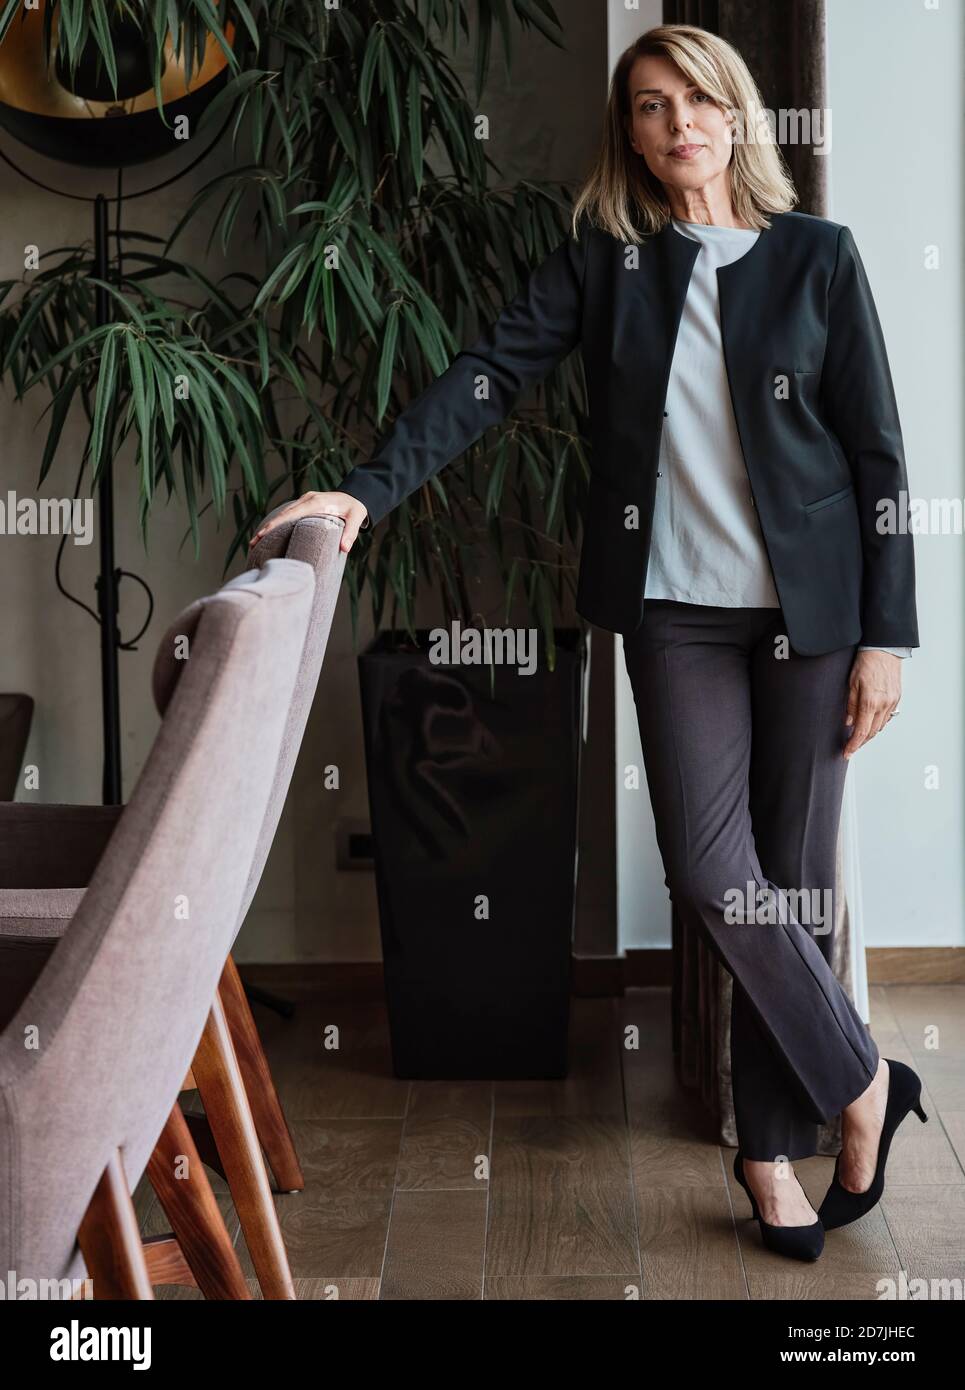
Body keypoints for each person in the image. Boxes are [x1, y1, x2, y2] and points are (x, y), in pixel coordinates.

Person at [251, 24, 923, 1261]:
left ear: (735, 111)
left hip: (809, 621)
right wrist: (363, 491)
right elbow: (485, 376)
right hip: (672, 612)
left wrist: (887, 635)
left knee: (790, 872)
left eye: (695, 101)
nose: (676, 125)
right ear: (630, 133)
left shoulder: (816, 260)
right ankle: (864, 1079)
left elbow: (878, 456)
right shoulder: (606, 265)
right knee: (718, 878)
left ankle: (769, 1152)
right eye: (649, 108)